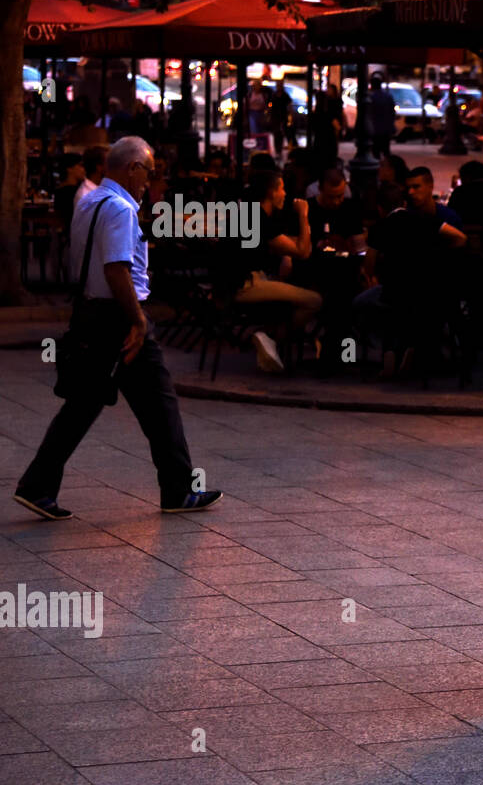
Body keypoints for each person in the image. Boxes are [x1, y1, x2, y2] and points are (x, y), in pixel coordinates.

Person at [14, 137, 222, 520]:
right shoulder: (121, 209)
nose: (151, 180)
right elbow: (116, 269)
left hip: (93, 314)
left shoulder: (89, 201)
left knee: (89, 404)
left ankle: (37, 485)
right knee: (157, 402)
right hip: (119, 318)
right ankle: (177, 489)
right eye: (151, 171)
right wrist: (138, 320)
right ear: (133, 168)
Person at [361, 167, 468, 378]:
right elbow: (460, 239)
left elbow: (369, 264)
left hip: (399, 291)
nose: (411, 192)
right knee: (407, 305)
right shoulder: (424, 221)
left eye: (416, 187)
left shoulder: (384, 226)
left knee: (369, 303)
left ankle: (388, 353)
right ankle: (411, 349)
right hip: (425, 290)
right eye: (408, 188)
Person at [234, 169, 324, 373]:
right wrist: (304, 215)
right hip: (247, 284)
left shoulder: (249, 213)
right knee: (314, 300)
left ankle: (272, 338)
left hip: (239, 280)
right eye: (281, 189)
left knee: (292, 293)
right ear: (271, 192)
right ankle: (272, 338)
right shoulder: (259, 217)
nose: (285, 194)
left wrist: (287, 252)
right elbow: (303, 251)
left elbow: (281, 244)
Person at [367, 74, 397, 158]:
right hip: (386, 129)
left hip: (375, 129)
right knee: (386, 151)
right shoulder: (388, 96)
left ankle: (379, 167)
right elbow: (392, 112)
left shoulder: (371, 97)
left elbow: (368, 113)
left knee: (375, 152)